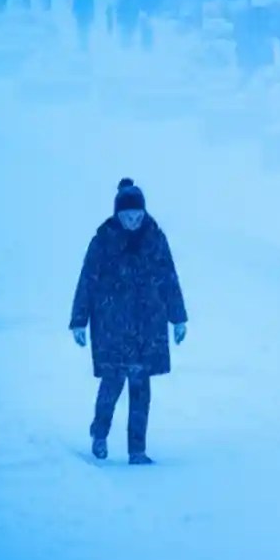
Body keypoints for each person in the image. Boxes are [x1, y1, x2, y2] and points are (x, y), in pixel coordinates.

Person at [70, 179, 188, 465]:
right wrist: (78, 321)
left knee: (140, 388)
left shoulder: (156, 239)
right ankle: (99, 434)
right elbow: (87, 280)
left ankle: (137, 451)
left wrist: (178, 318)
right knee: (112, 382)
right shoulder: (102, 241)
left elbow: (169, 278)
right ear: (117, 214)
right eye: (127, 216)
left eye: (137, 215)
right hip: (112, 325)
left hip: (148, 325)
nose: (133, 221)